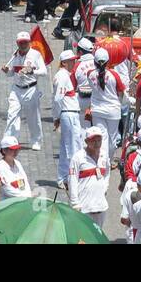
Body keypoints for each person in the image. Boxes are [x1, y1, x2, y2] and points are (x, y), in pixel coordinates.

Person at [2, 30, 46, 148]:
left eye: (25, 42)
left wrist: (33, 71)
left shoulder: (36, 54)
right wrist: (7, 71)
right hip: (16, 90)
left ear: (29, 42)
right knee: (12, 114)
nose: (23, 45)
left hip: (30, 89)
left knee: (33, 117)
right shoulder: (14, 55)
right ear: (17, 43)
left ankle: (36, 140)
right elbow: (12, 73)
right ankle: (10, 140)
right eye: (21, 43)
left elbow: (44, 71)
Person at [68, 126, 110, 228]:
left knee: (97, 236)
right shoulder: (78, 158)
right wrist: (75, 203)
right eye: (93, 141)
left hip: (101, 206)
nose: (97, 143)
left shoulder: (104, 155)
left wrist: (105, 187)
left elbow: (107, 173)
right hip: (84, 207)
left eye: (99, 140)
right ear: (86, 141)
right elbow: (72, 180)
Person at [52, 49, 83, 189]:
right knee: (72, 147)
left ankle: (63, 178)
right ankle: (71, 178)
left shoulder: (65, 75)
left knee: (67, 148)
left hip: (70, 113)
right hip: (68, 113)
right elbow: (58, 99)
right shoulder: (62, 76)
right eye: (71, 60)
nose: (74, 62)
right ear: (64, 62)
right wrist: (56, 117)